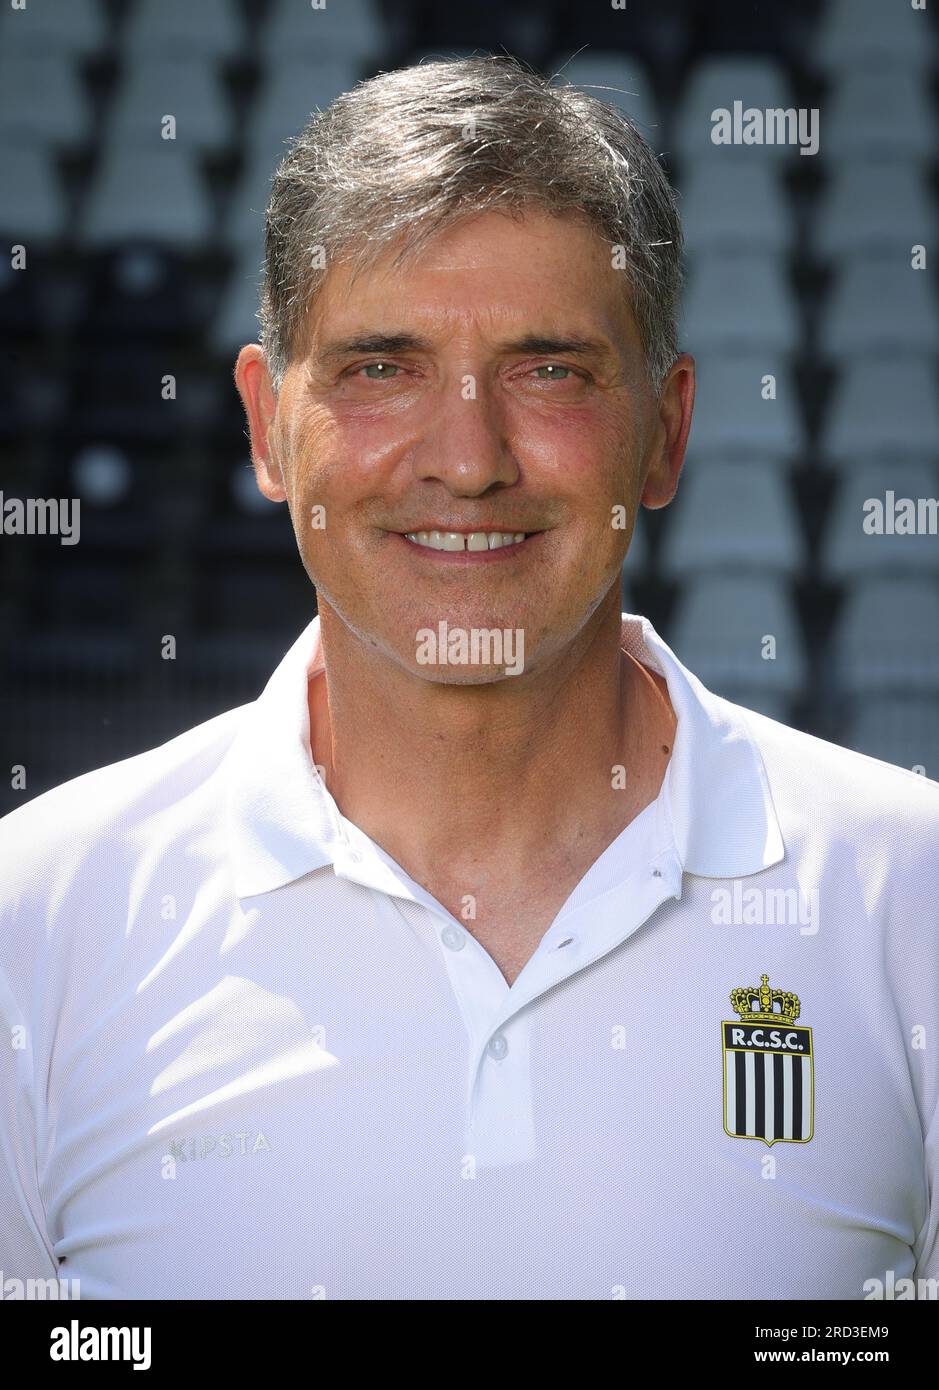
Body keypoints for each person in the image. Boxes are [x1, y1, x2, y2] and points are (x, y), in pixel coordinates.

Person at [1, 56, 936, 1301]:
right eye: (381, 367)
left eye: (548, 369)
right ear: (267, 421)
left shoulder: (913, 896)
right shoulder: (36, 920)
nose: (468, 457)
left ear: (665, 429)